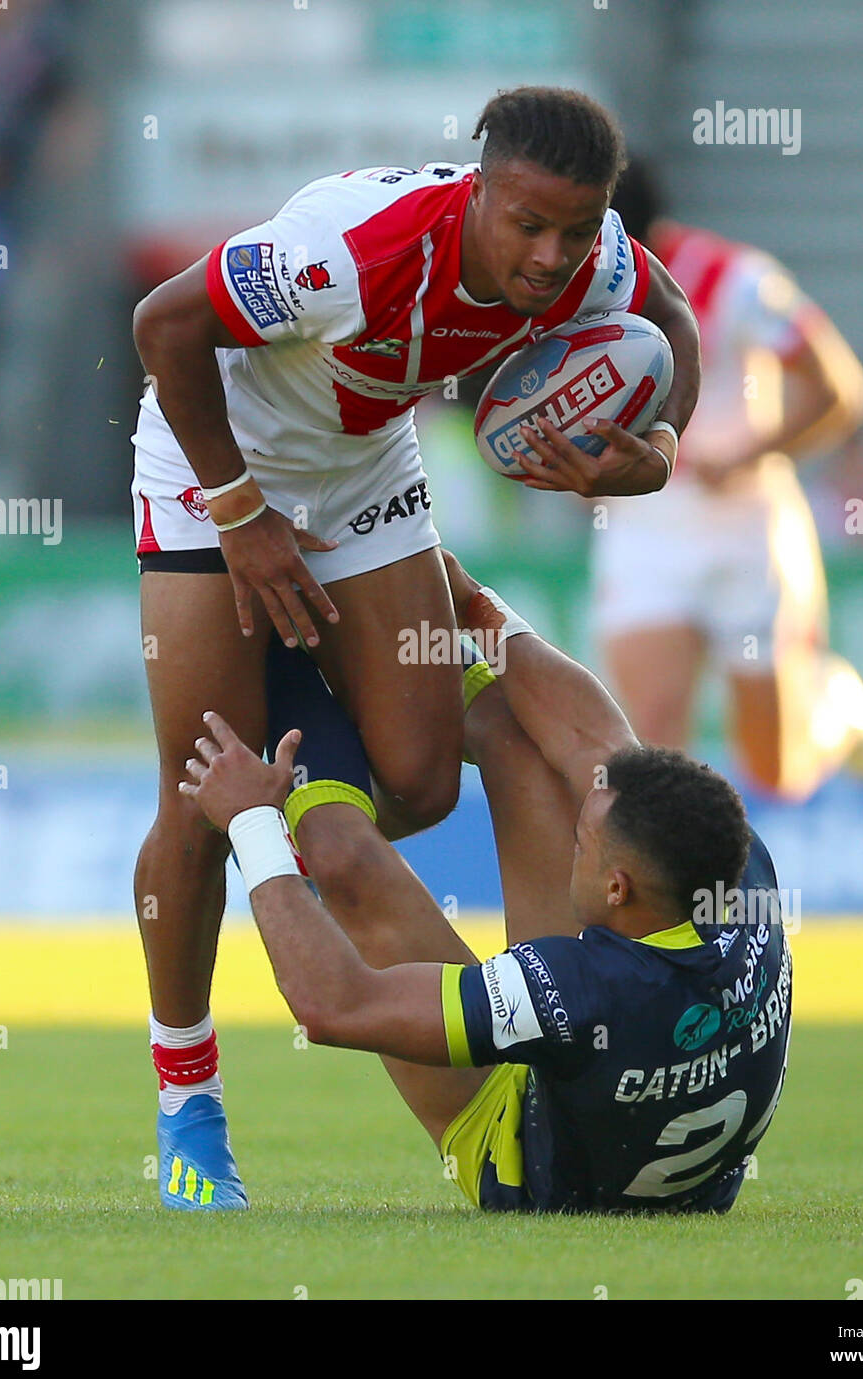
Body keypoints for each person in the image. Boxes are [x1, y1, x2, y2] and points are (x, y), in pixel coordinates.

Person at [131, 88, 701, 1205]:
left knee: (419, 780)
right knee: (198, 794)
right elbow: (164, 326)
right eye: (525, 223)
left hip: (364, 466)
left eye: (575, 229)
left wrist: (663, 442)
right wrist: (244, 518)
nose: (550, 256)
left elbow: (673, 319)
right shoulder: (347, 254)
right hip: (216, 463)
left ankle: (298, 719)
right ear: (475, 190)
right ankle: (187, 1101)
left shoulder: (591, 259)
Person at [171, 559, 791, 1215]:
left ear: (617, 888)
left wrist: (251, 821)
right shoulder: (737, 870)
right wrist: (471, 603)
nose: (569, 842)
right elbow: (594, 741)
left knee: (343, 858)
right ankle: (351, 613)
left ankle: (280, 649)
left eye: (581, 844)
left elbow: (336, 1007)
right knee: (524, 739)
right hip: (631, 1105)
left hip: (530, 1161)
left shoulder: (582, 989)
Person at [592, 157, 863, 799]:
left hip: (746, 530)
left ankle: (838, 705)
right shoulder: (574, 292)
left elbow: (840, 391)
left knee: (778, 770)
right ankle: (680, 898)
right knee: (654, 745)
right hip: (647, 528)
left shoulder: (733, 278)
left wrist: (746, 456)